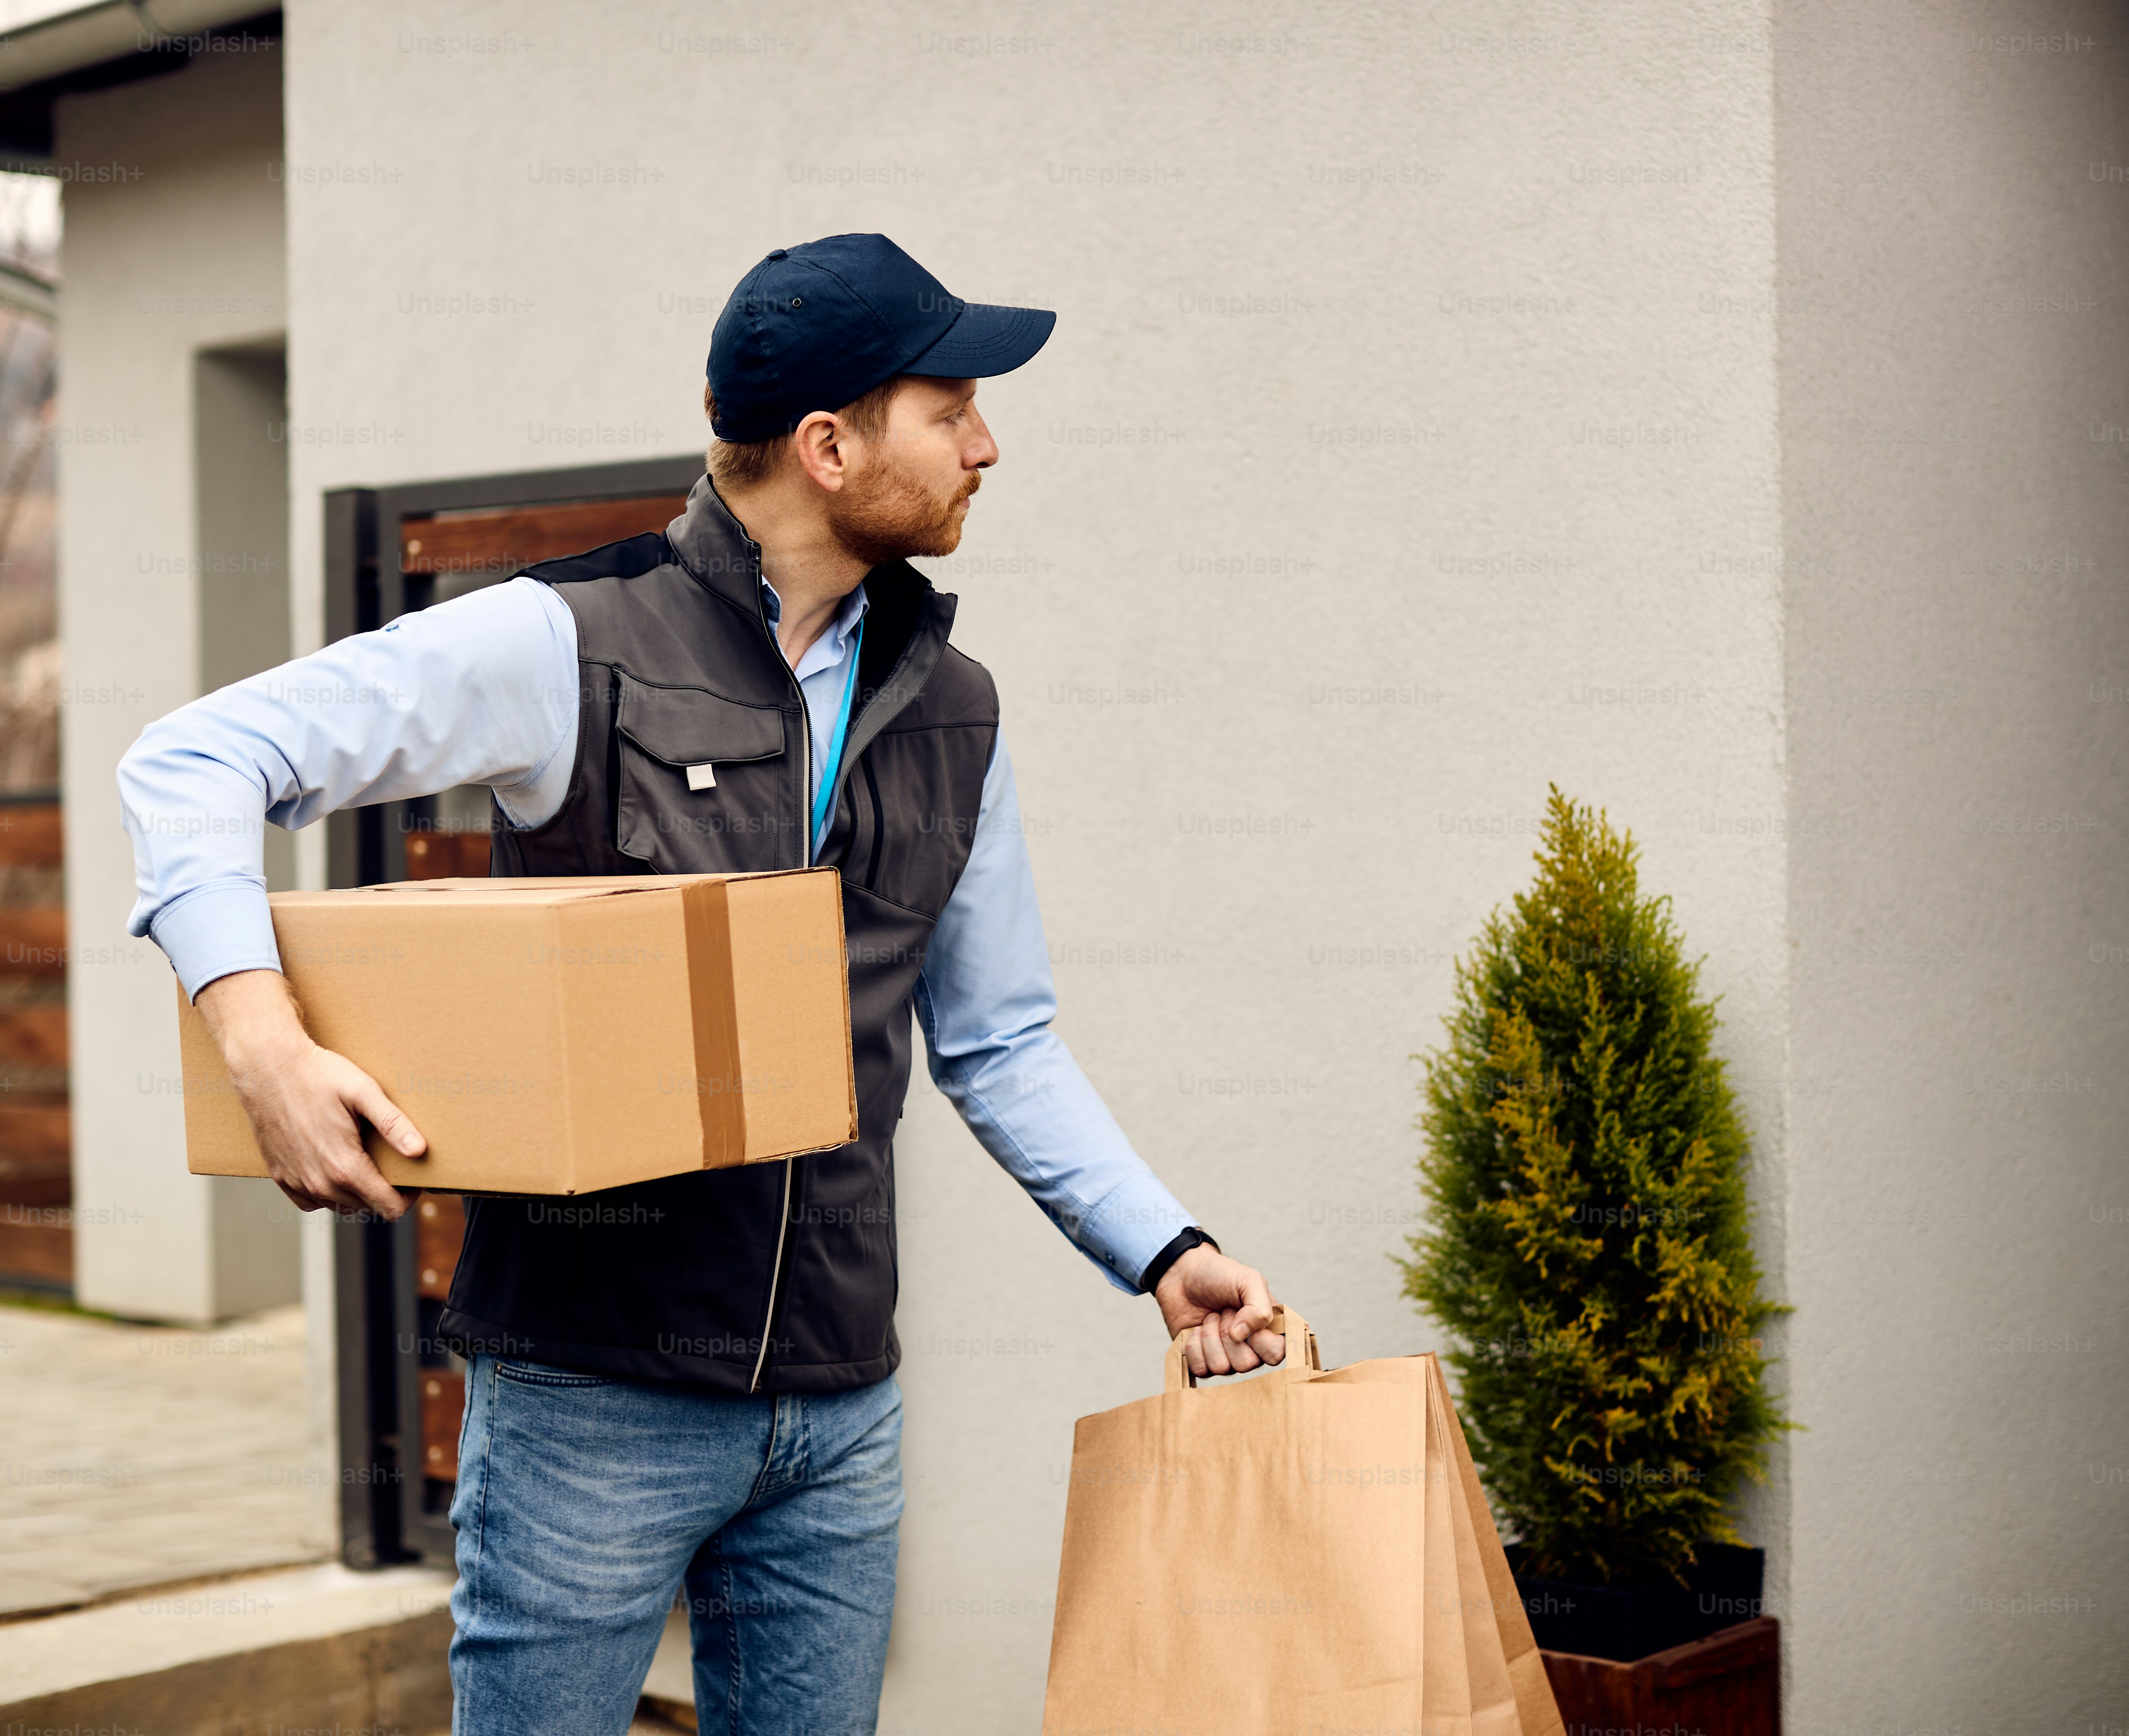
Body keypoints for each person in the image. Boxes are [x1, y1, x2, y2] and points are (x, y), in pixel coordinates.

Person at [117, 233, 1284, 1736]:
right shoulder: (568, 646)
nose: (988, 445)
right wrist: (261, 1041)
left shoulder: (954, 707)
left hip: (841, 1412)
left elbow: (997, 1042)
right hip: (591, 1405)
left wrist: (1161, 1250)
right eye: (952, 410)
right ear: (830, 446)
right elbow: (193, 759)